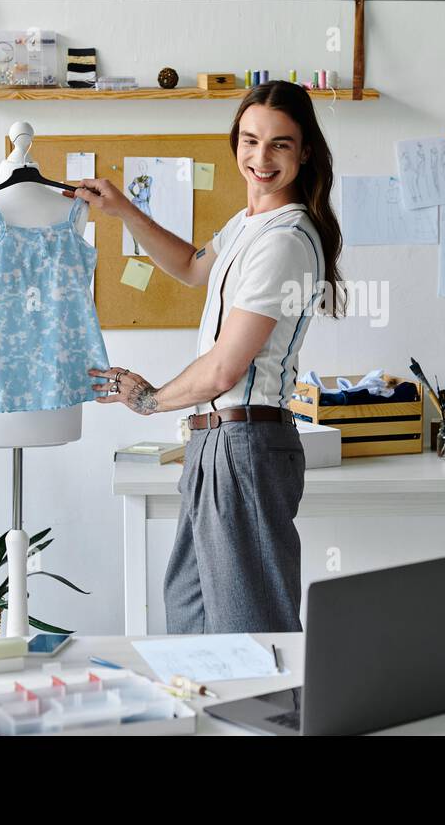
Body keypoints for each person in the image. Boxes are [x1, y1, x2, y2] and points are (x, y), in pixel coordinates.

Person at [69, 80, 344, 633]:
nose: (259, 159)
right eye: (249, 141)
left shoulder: (285, 240)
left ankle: (276, 720)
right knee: (192, 621)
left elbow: (225, 366)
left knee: (250, 631)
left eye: (279, 145)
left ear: (304, 150)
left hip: (243, 444)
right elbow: (195, 266)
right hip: (215, 443)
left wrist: (149, 399)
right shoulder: (248, 225)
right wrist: (124, 210)